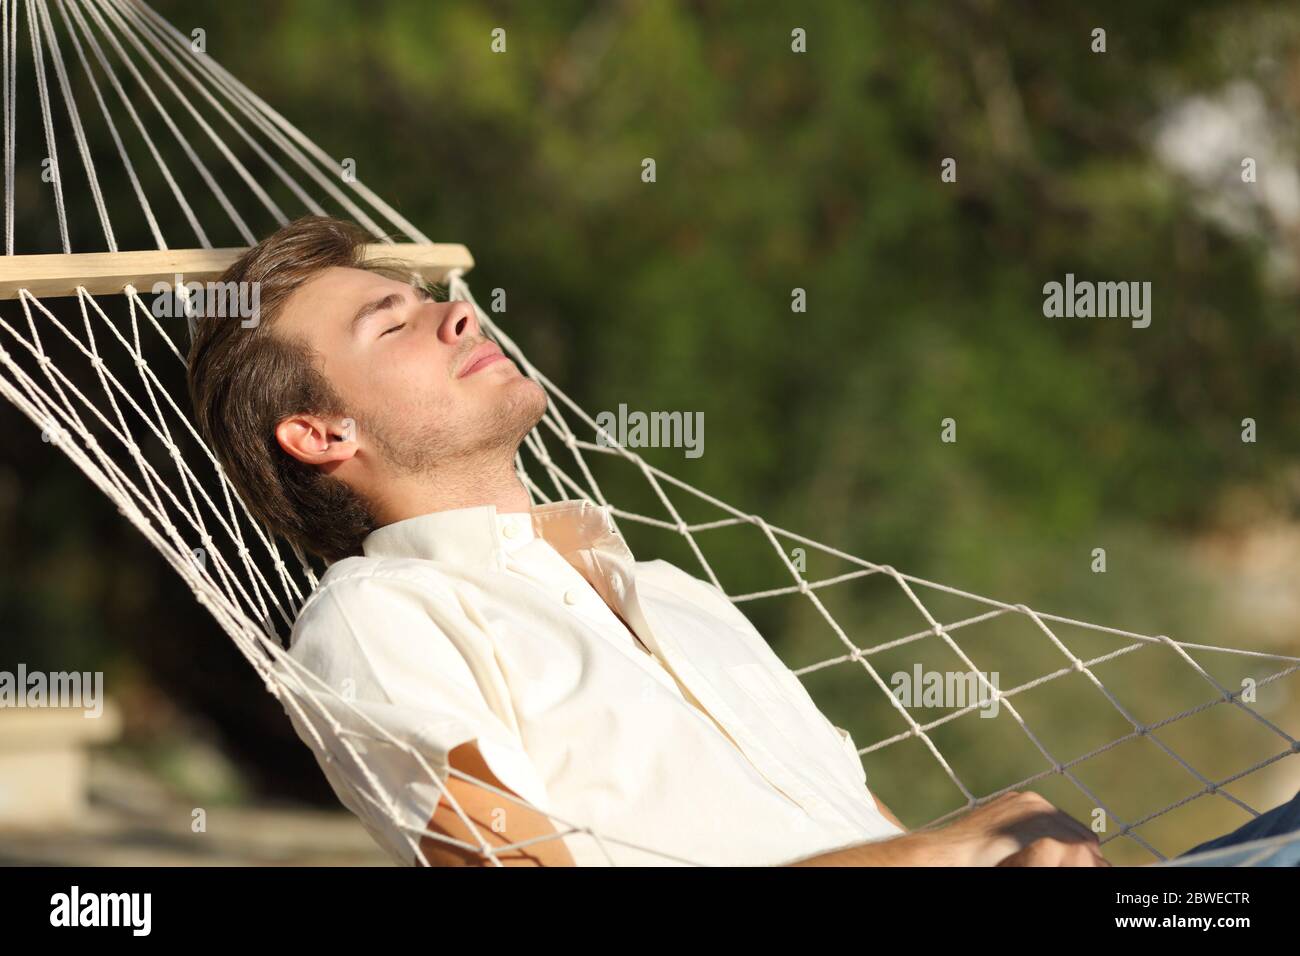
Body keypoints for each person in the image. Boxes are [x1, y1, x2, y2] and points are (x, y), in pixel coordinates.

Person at [186, 215, 1292, 867]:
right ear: (319, 431)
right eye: (396, 322)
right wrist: (933, 852)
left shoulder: (670, 588)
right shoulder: (376, 625)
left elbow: (859, 828)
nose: (459, 314)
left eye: (435, 298)